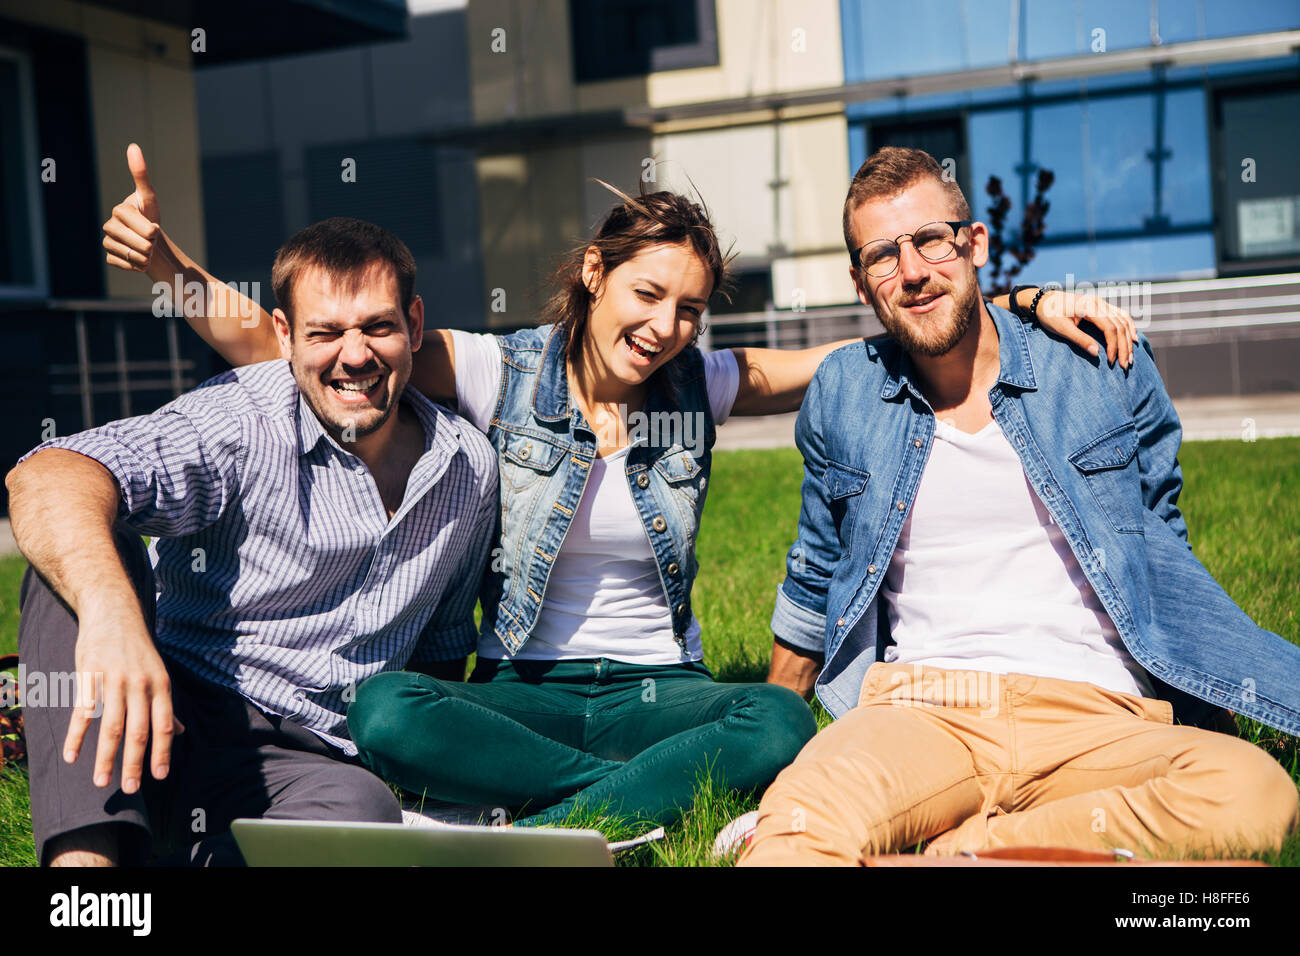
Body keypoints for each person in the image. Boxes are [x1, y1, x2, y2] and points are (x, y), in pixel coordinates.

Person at [101, 145, 1134, 829]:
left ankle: (543, 832)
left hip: (661, 692)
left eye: (688, 308)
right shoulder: (498, 369)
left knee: (777, 725)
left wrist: (1011, 298)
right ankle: (619, 812)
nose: (665, 326)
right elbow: (310, 344)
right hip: (521, 690)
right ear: (596, 272)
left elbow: (854, 355)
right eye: (648, 293)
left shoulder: (699, 383)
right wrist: (171, 266)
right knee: (382, 712)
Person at [739, 147, 1300, 865]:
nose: (911, 271)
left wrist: (1208, 701)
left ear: (973, 244)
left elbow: (1164, 552)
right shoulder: (844, 391)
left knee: (1253, 794)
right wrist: (776, 759)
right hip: (918, 711)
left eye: (930, 240)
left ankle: (963, 852)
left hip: (1096, 711)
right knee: (795, 830)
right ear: (859, 282)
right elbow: (815, 573)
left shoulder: (1100, 365)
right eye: (883, 255)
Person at [8, 215, 497, 865]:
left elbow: (439, 648)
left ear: (413, 324)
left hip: (308, 767)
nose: (354, 356)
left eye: (377, 327)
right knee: (81, 559)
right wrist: (114, 616)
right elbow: (49, 471)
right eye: (325, 333)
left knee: (364, 813)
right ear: (287, 336)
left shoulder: (467, 467)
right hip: (164, 715)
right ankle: (86, 881)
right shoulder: (239, 419)